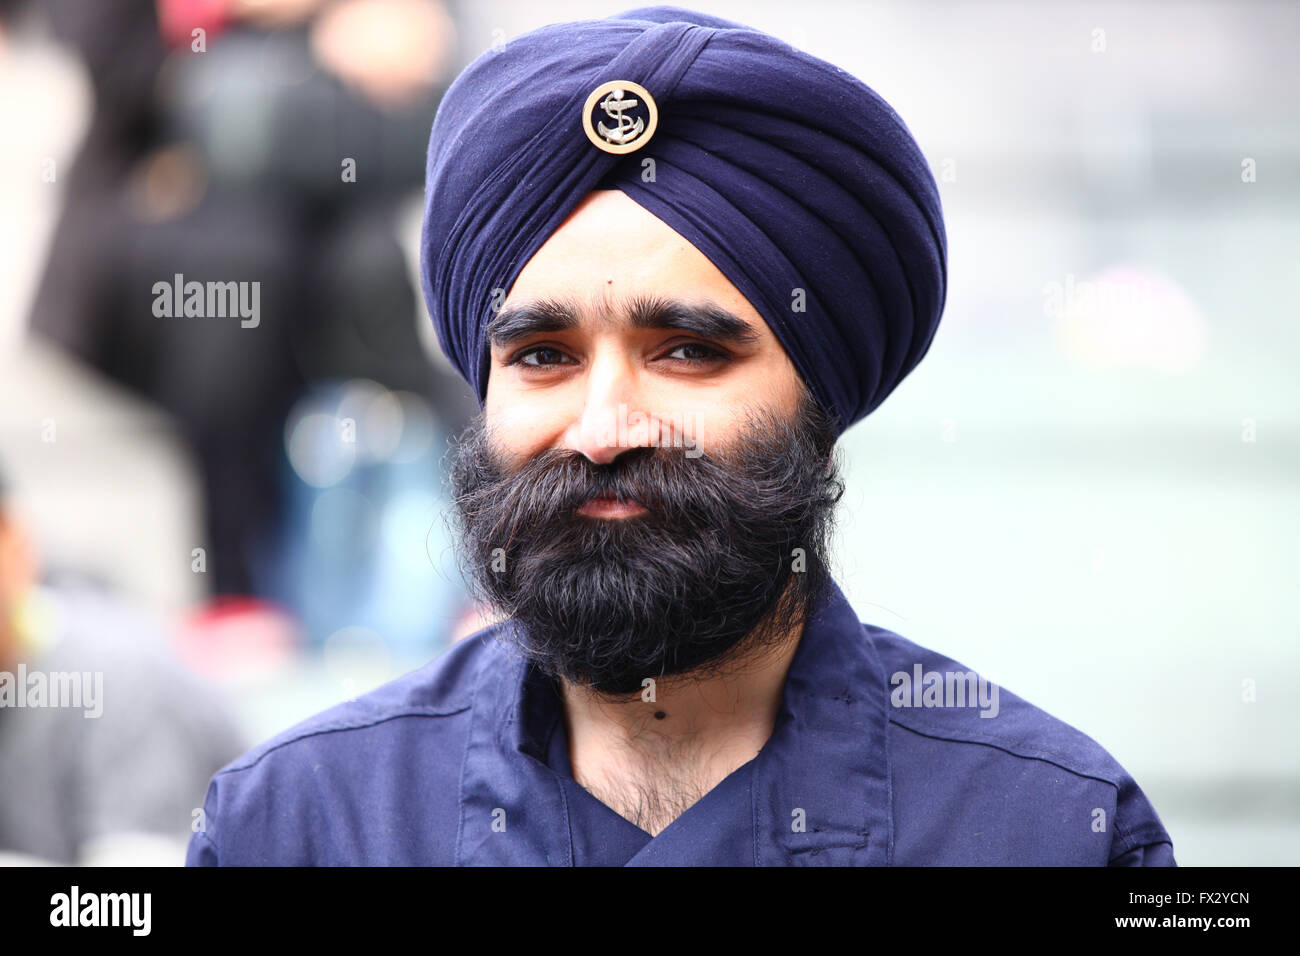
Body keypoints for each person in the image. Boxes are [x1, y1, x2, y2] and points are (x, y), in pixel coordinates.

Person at [187, 5, 1176, 866]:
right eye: (542, 355)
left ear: (819, 411)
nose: (605, 427)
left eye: (690, 352)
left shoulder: (1045, 828)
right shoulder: (297, 823)